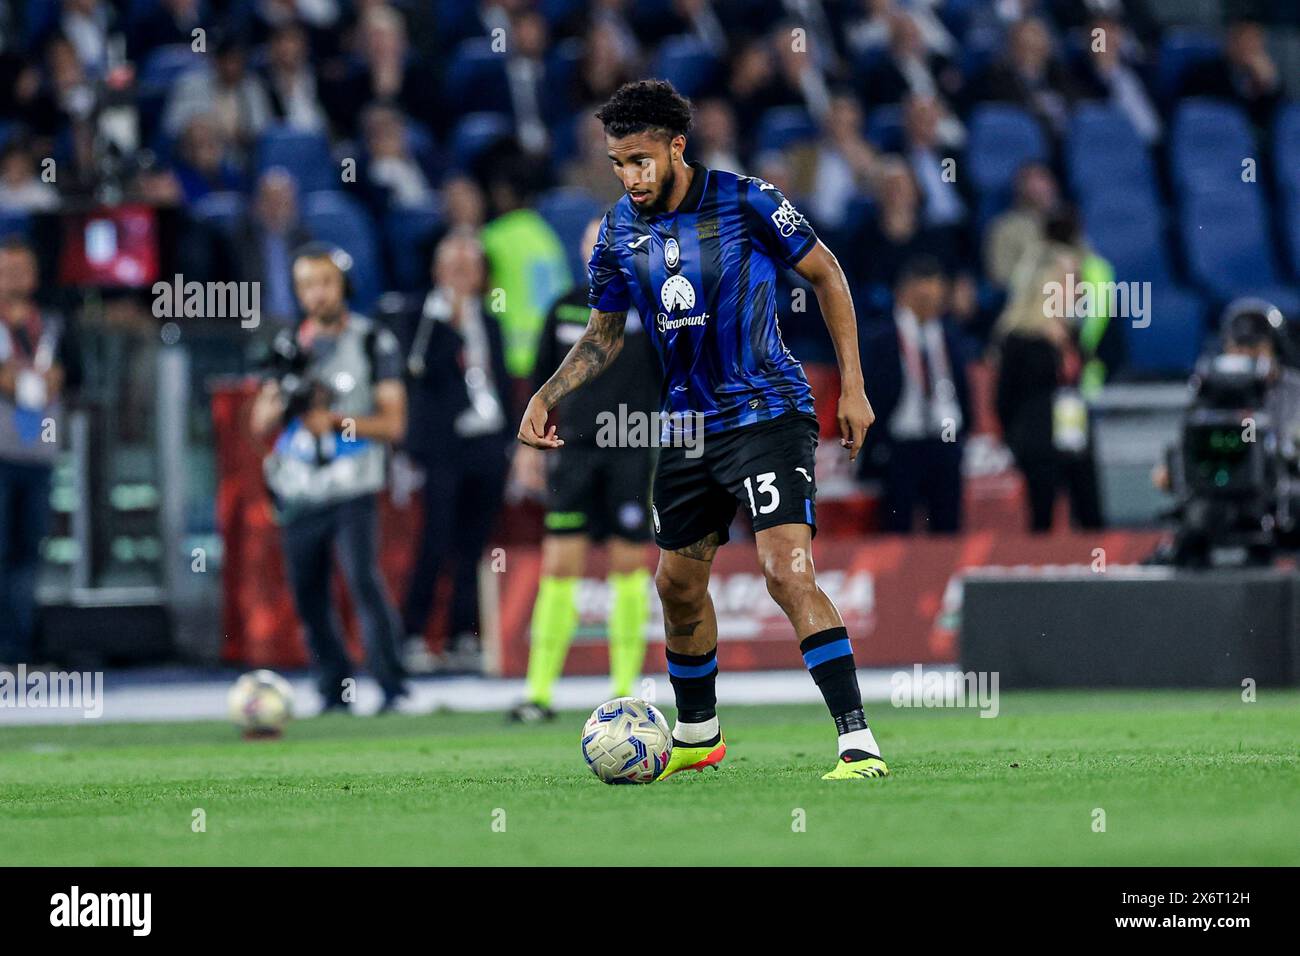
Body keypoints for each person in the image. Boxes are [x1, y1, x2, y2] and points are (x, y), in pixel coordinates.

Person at [517, 80, 889, 782]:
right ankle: (699, 736)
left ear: (675, 146)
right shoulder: (621, 231)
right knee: (677, 586)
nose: (628, 176)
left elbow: (828, 275)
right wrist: (548, 394)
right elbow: (603, 334)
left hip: (768, 412)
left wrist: (856, 387)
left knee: (786, 571)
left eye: (639, 160)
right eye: (617, 162)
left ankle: (856, 740)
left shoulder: (747, 200)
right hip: (687, 429)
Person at [510, 218, 660, 723]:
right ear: (584, 250)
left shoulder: (650, 306)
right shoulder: (566, 306)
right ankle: (538, 694)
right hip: (572, 450)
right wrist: (529, 448)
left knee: (628, 567)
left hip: (633, 448)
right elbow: (539, 381)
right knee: (559, 566)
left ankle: (624, 694)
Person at [250, 243, 409, 713]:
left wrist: (338, 422)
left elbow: (394, 423)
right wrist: (281, 399)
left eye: (324, 283)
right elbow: (259, 424)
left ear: (343, 286)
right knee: (308, 594)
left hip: (353, 483)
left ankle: (391, 684)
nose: (316, 294)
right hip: (299, 487)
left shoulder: (371, 340)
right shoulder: (287, 346)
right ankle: (332, 685)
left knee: (361, 579)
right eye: (306, 285)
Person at [399, 230, 512, 675]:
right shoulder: (420, 318)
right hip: (443, 447)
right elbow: (417, 372)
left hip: (486, 441)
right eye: (456, 267)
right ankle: (412, 634)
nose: (465, 276)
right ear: (438, 271)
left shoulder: (492, 320)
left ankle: (463, 634)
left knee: (474, 545)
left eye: (472, 268)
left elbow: (502, 380)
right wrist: (450, 321)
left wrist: (511, 441)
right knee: (435, 540)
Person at [0, 238, 79, 664]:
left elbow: (72, 376)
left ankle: (16, 648)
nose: (14, 277)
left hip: (38, 454)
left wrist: (45, 378)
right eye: (5, 269)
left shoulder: (50, 324)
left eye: (21, 269)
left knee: (28, 555)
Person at [860, 256, 969, 533]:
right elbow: (873, 392)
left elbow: (961, 388)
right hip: (901, 445)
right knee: (898, 530)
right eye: (924, 296)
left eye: (936, 296)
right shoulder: (880, 338)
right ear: (904, 292)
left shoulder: (948, 334)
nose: (932, 303)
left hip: (945, 442)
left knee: (948, 531)